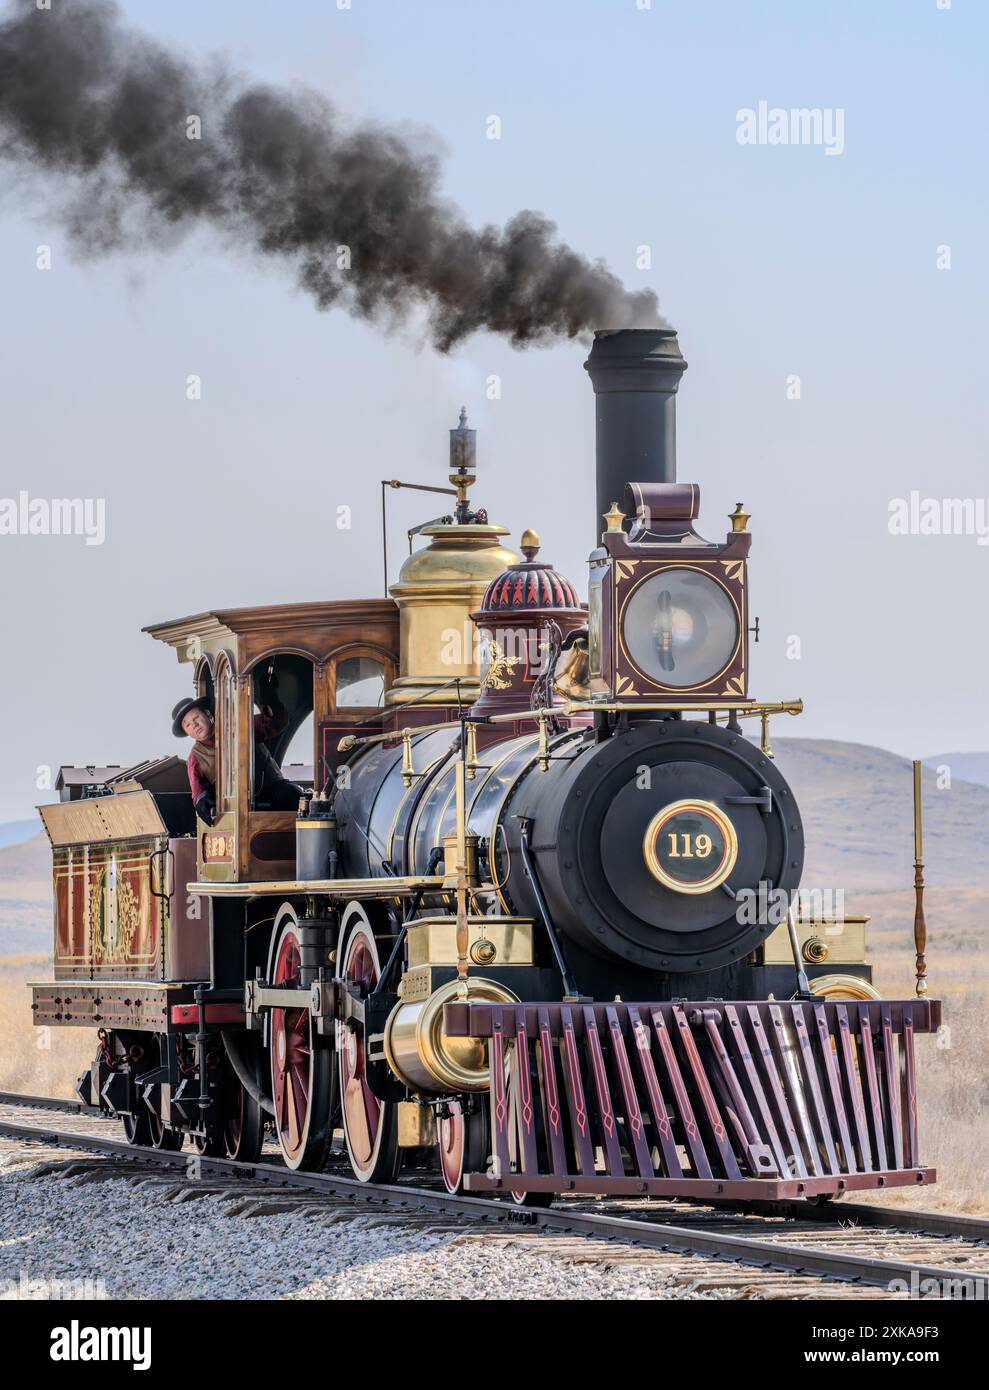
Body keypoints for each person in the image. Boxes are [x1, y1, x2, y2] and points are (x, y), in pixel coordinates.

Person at [171, 677, 303, 825]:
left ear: (208, 715)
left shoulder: (237, 725)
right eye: (188, 725)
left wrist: (268, 696)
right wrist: (202, 801)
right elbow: (198, 793)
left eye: (196, 718)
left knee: (296, 797)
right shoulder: (195, 758)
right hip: (236, 812)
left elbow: (274, 723)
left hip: (273, 792)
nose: (194, 725)